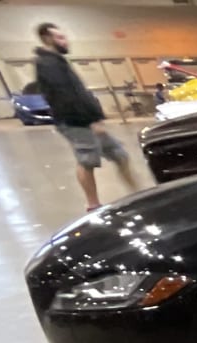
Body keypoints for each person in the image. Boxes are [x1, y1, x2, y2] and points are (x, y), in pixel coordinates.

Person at [33, 22, 140, 211]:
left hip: (86, 119)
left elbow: (77, 92)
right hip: (76, 122)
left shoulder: (56, 61)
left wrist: (95, 116)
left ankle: (137, 193)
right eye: (60, 38)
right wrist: (89, 121)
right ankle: (92, 204)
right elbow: (66, 95)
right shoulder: (48, 64)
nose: (65, 41)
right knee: (87, 160)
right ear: (47, 39)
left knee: (119, 155)